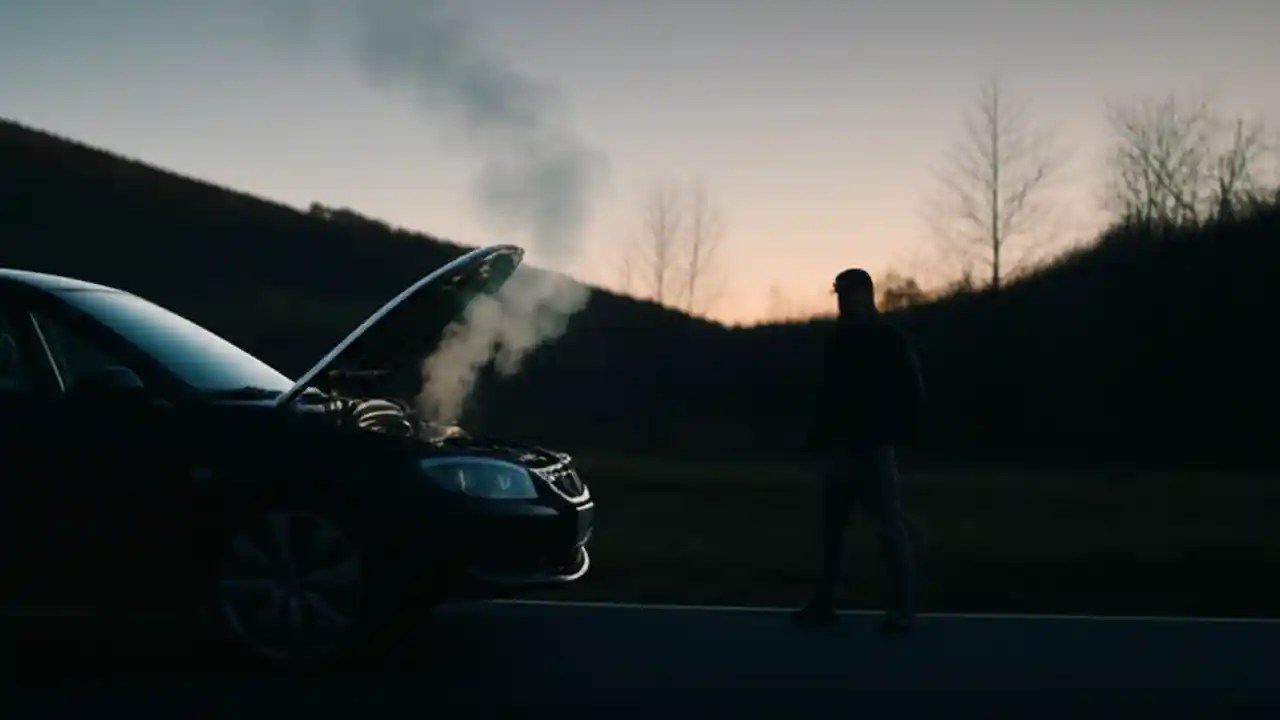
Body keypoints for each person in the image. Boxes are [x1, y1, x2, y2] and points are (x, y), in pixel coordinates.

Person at [792, 267, 925, 632]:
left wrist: (891, 434)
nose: (842, 301)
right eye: (839, 294)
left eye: (847, 293)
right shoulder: (838, 340)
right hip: (843, 449)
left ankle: (902, 609)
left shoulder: (889, 339)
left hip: (874, 449)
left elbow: (911, 393)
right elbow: (828, 393)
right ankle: (826, 601)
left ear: (864, 295)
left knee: (887, 529)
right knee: (833, 530)